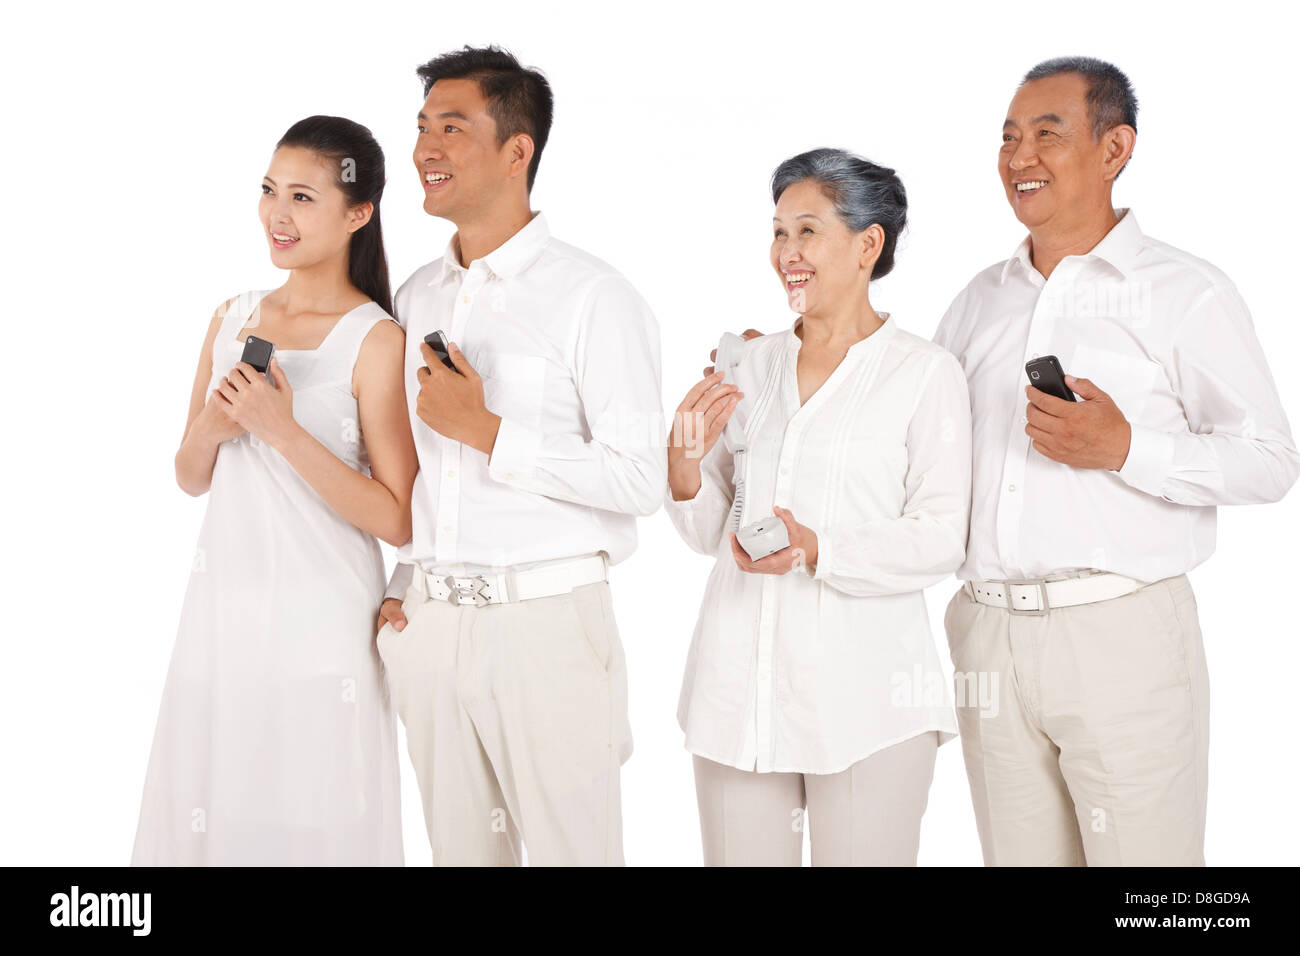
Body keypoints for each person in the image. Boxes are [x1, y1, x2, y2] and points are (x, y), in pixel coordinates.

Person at [933, 56, 1300, 865]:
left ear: (1114, 148)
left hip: (1120, 633)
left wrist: (1128, 448)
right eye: (1007, 138)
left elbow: (1271, 460)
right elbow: (921, 455)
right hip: (985, 633)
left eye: (1047, 134)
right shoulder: (976, 302)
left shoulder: (1185, 292)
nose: (1019, 157)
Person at [374, 46, 665, 867]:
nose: (427, 148)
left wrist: (492, 432)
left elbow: (640, 476)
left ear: (517, 151)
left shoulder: (593, 298)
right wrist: (405, 589)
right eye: (422, 127)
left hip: (548, 631)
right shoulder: (414, 298)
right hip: (433, 629)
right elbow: (418, 471)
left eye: (452, 127)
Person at [664, 148, 971, 866]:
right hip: (739, 695)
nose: (786, 253)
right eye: (777, 233)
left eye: (807, 231)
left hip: (868, 704)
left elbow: (939, 538)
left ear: (870, 244)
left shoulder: (925, 373)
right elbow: (714, 531)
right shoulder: (750, 364)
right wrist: (683, 469)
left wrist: (816, 548)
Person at [132, 116, 417, 865]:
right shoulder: (231, 317)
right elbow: (189, 475)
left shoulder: (375, 339)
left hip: (323, 629)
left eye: (301, 196)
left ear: (359, 213)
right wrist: (216, 430)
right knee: (215, 818)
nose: (277, 214)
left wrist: (283, 429)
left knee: (313, 826)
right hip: (222, 620)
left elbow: (397, 516)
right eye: (268, 190)